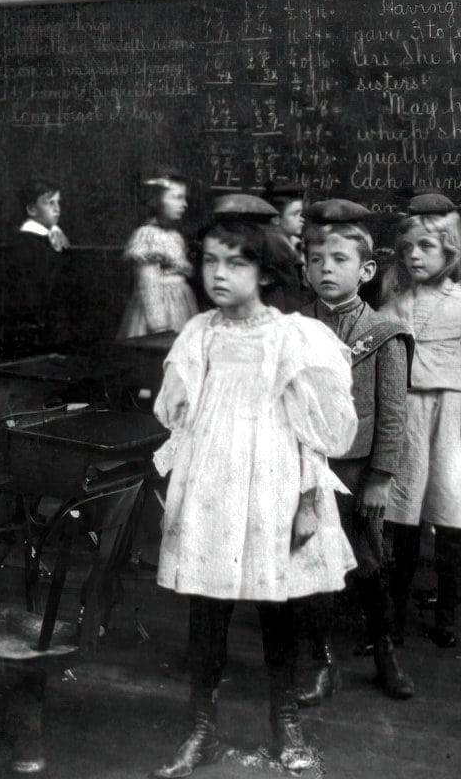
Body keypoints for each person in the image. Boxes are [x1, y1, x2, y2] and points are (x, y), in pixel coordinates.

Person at [151, 216, 357, 776]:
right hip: (213, 478)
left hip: (272, 479)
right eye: (211, 260)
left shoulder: (293, 336)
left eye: (236, 263)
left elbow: (312, 430)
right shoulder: (199, 333)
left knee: (277, 603)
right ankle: (201, 728)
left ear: (265, 273)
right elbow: (179, 414)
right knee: (207, 603)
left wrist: (311, 497)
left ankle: (285, 721)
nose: (219, 274)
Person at [295, 198, 415, 702]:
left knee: (369, 567)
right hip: (309, 467)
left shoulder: (383, 334)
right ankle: (323, 662)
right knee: (313, 563)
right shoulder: (296, 328)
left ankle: (386, 651)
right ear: (304, 268)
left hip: (359, 469)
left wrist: (382, 477)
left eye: (340, 260)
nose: (327, 269)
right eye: (317, 260)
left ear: (366, 270)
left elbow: (393, 415)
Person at [381, 194, 461, 649]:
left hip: (450, 422)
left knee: (451, 522)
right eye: (409, 248)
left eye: (426, 248)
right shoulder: (394, 305)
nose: (415, 255)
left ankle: (447, 614)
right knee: (402, 522)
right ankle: (393, 617)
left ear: (449, 252)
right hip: (405, 421)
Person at [117, 171, 197, 340]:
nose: (184, 204)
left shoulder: (175, 236)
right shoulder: (147, 235)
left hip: (180, 306)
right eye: (177, 197)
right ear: (157, 200)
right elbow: (148, 284)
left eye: (184, 198)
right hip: (161, 312)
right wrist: (158, 326)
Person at [7, 176, 70, 341]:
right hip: (37, 323)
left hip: (57, 319)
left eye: (58, 202)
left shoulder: (54, 236)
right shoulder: (26, 243)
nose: (57, 209)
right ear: (32, 209)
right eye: (50, 203)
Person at [261, 179, 310, 312]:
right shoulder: (271, 252)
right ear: (276, 218)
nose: (302, 219)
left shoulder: (298, 247)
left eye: (301, 213)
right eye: (295, 214)